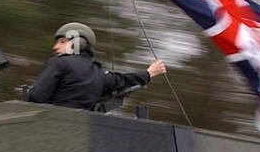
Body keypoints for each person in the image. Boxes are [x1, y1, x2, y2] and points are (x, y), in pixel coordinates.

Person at [27, 21, 166, 110]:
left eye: (62, 42)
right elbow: (122, 80)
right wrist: (149, 73)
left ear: (79, 43)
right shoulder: (97, 73)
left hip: (49, 127)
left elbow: (37, 97)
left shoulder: (59, 62)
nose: (55, 47)